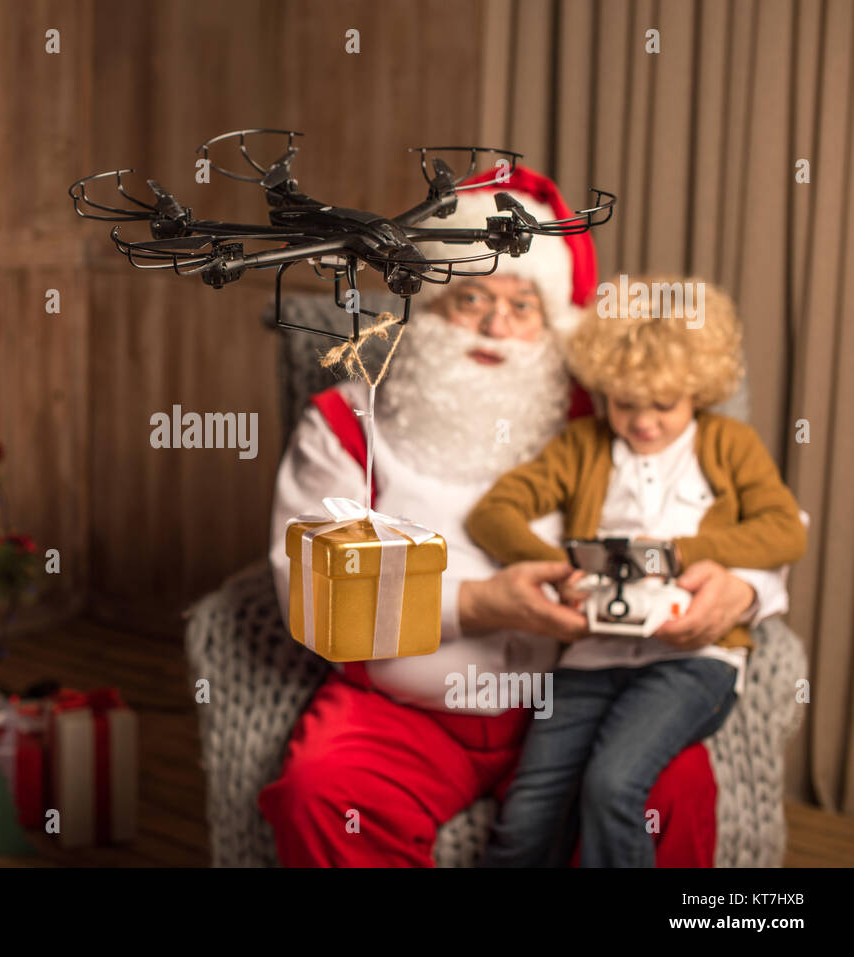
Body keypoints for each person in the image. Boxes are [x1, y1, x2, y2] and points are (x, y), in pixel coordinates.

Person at [258, 168, 789, 867]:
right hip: (404, 713)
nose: (496, 325)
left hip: (578, 696)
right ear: (432, 307)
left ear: (553, 324)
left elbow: (743, 509)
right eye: (470, 296)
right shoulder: (346, 424)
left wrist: (746, 586)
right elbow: (317, 592)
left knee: (670, 790)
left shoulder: (606, 418)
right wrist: (478, 604)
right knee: (320, 791)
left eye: (522, 304)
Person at [466, 277, 806, 866]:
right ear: (604, 392)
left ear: (697, 391)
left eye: (663, 404)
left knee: (613, 784)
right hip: (589, 658)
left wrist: (679, 553)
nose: (643, 422)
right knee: (525, 819)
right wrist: (558, 569)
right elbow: (493, 513)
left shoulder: (730, 444)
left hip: (691, 662)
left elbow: (785, 530)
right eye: (626, 403)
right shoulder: (583, 445)